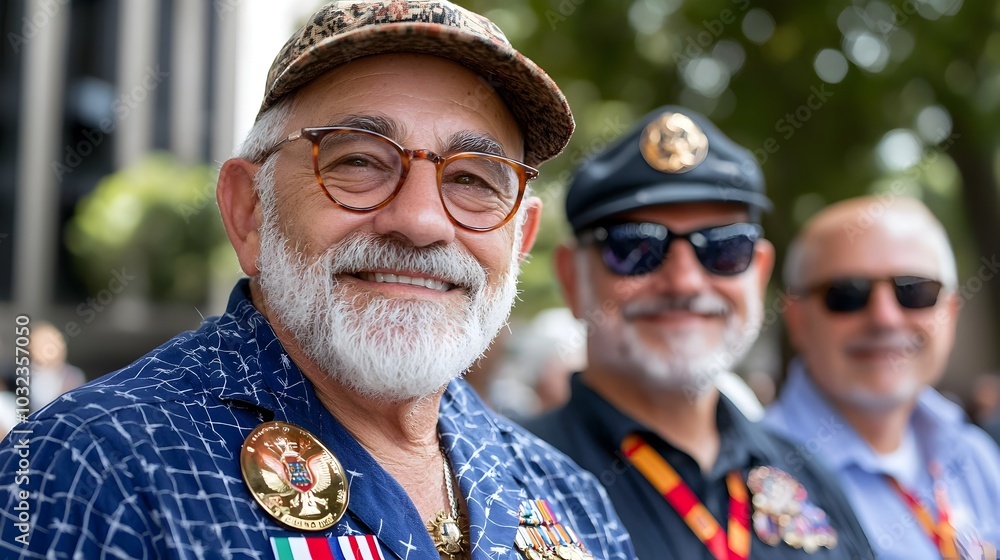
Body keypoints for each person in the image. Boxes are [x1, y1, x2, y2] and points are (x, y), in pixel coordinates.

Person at [0, 2, 636, 559]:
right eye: (358, 160)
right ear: (249, 211)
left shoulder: (570, 499)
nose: (419, 221)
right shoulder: (92, 465)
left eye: (473, 179)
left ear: (519, 239)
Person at [526, 106, 874, 559]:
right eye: (636, 247)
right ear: (572, 279)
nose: (685, 282)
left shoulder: (812, 477)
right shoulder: (504, 484)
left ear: (760, 272)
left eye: (726, 247)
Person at [766, 196, 1000, 559]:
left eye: (915, 290)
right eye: (847, 293)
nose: (885, 317)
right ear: (796, 319)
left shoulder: (976, 456)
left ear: (950, 313)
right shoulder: (756, 479)